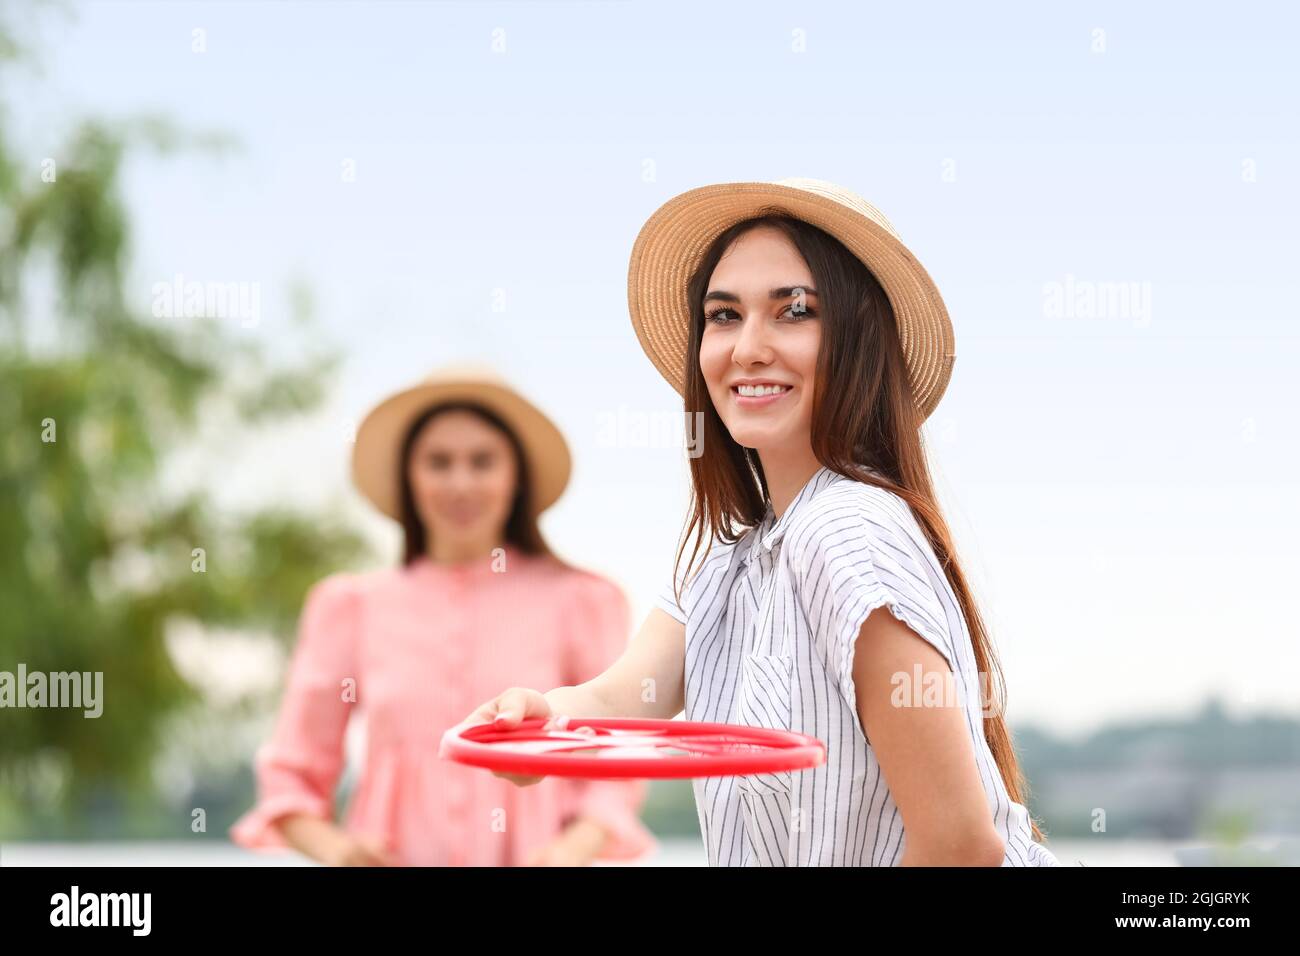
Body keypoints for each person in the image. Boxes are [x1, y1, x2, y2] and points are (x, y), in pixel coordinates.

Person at [459, 178, 1062, 866]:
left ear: (859, 342)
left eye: (794, 311)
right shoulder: (729, 556)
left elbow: (959, 845)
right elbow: (622, 694)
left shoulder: (846, 533)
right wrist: (541, 721)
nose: (748, 347)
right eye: (723, 316)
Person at [230, 363, 656, 866]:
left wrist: (566, 853)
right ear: (409, 477)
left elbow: (615, 760)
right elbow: (290, 775)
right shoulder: (349, 606)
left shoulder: (581, 599)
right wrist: (342, 852)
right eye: (438, 462)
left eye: (482, 462)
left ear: (515, 476)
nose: (460, 483)